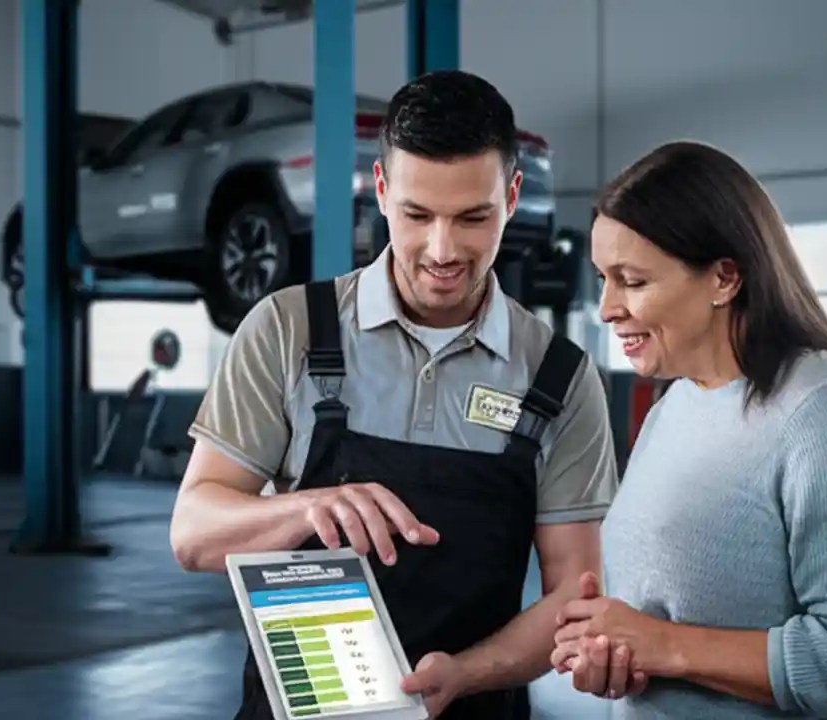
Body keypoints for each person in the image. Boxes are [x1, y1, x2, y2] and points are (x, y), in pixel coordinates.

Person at [169, 69, 618, 720]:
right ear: (380, 191)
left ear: (513, 197)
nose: (442, 249)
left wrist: (462, 675)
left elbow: (572, 598)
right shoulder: (287, 329)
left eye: (473, 217)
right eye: (416, 214)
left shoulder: (559, 377)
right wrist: (308, 510)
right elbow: (193, 535)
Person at [550, 141, 827, 718]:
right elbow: (658, 624)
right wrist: (615, 653)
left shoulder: (823, 409)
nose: (606, 308)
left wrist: (666, 646)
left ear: (724, 277)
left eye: (632, 280)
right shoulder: (674, 405)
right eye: (602, 277)